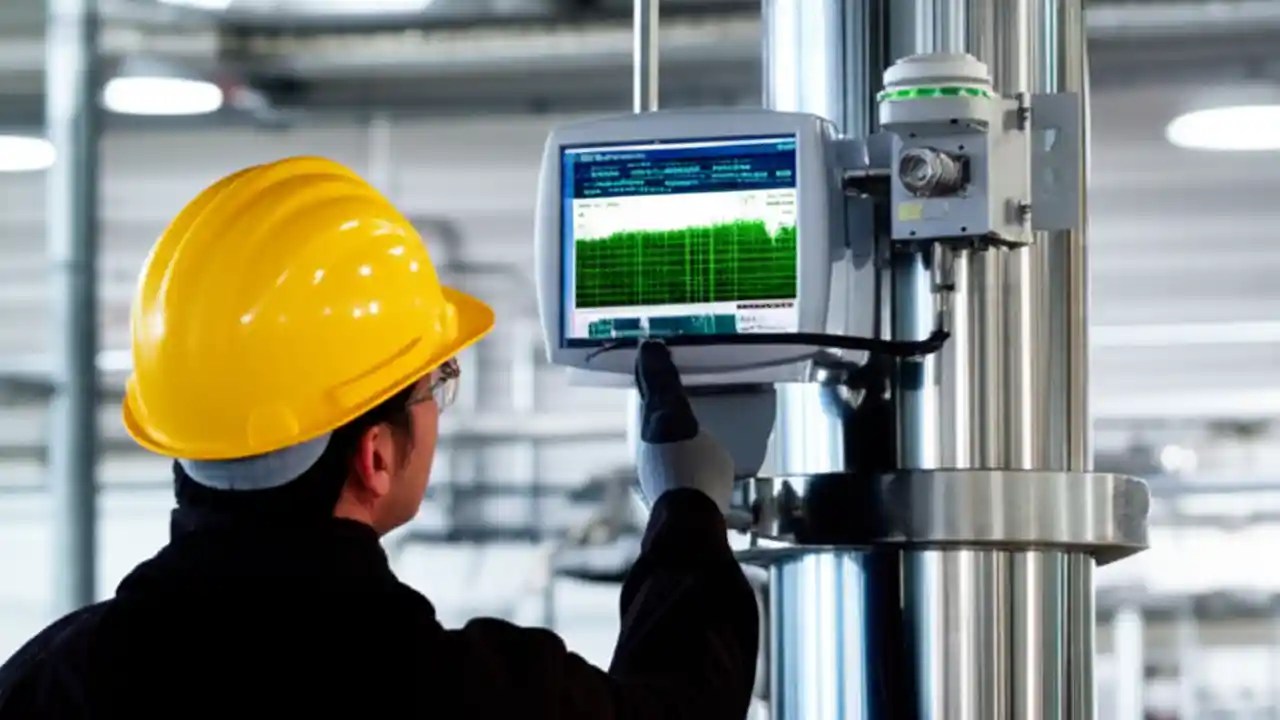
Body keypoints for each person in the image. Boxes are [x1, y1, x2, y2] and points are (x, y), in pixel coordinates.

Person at [0, 157, 759, 717]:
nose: (437, 404)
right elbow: (682, 706)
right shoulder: (460, 693)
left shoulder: (51, 681)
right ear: (374, 455)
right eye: (435, 383)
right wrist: (688, 513)